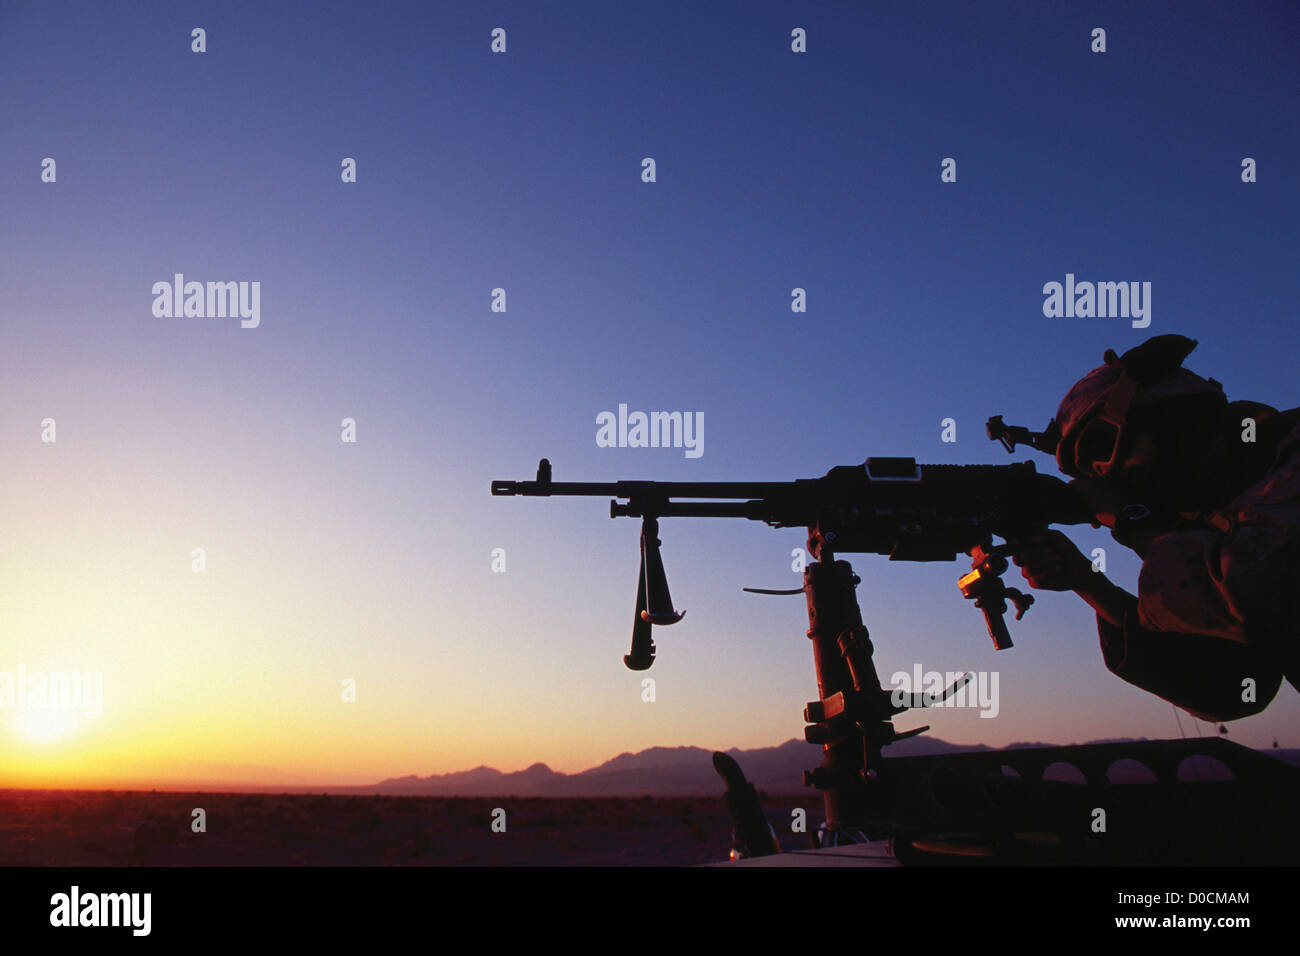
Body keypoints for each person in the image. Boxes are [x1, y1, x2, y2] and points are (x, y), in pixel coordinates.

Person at [1011, 334, 1299, 721]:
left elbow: (1259, 597)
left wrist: (1134, 521)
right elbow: (1236, 686)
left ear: (1176, 419)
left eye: (1102, 447)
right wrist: (1091, 585)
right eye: (1089, 472)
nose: (1106, 476)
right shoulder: (1235, 518)